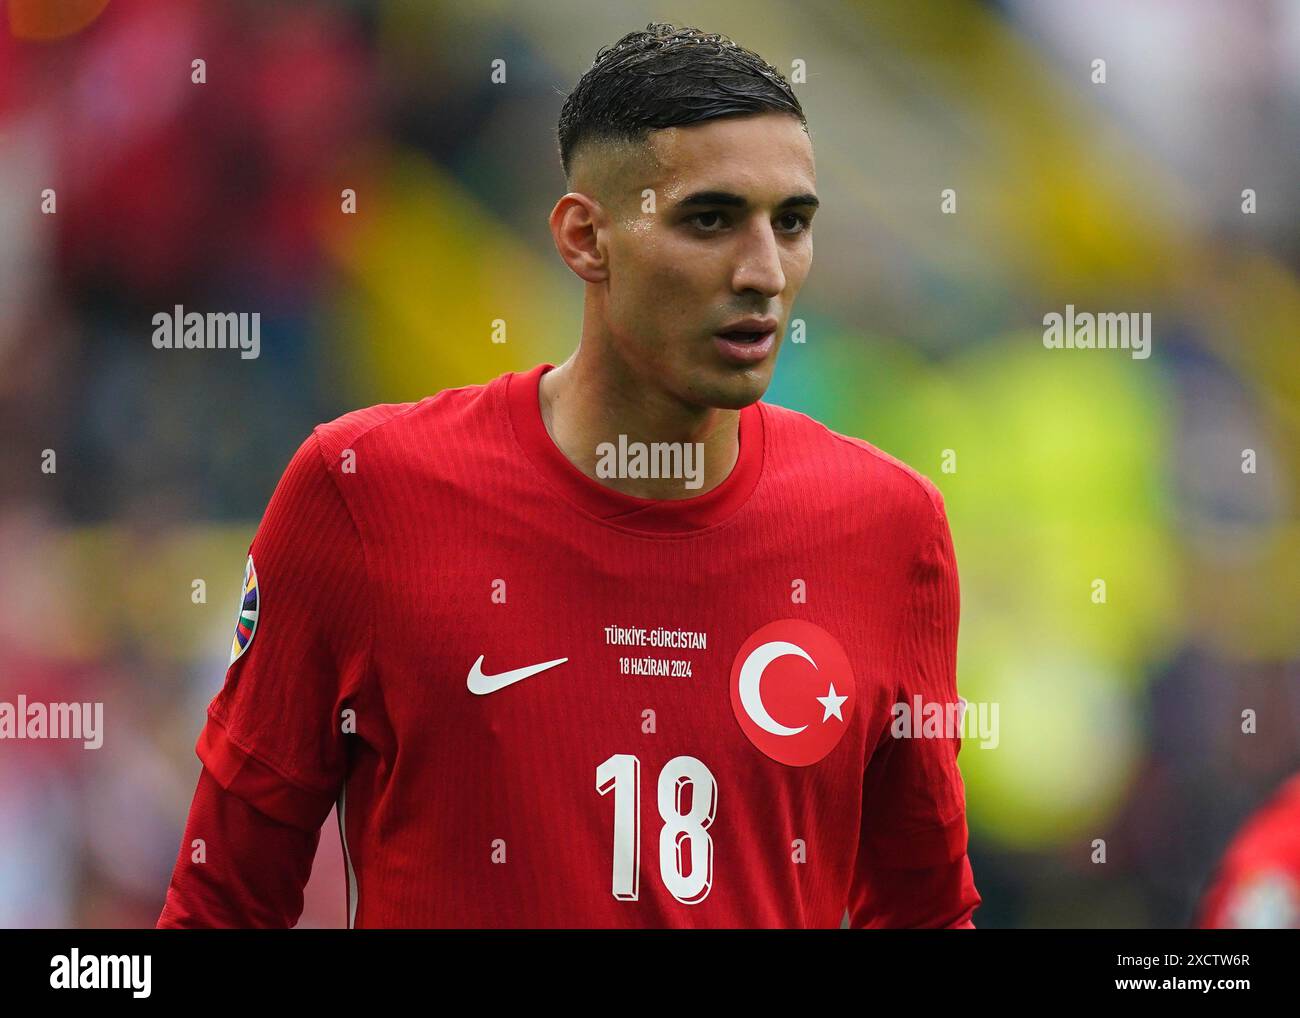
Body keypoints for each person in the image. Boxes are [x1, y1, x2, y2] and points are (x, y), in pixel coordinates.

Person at [158, 21, 980, 929]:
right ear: (586, 239)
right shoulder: (362, 490)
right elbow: (223, 900)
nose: (764, 272)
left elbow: (927, 913)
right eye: (709, 219)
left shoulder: (888, 527)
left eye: (791, 224)